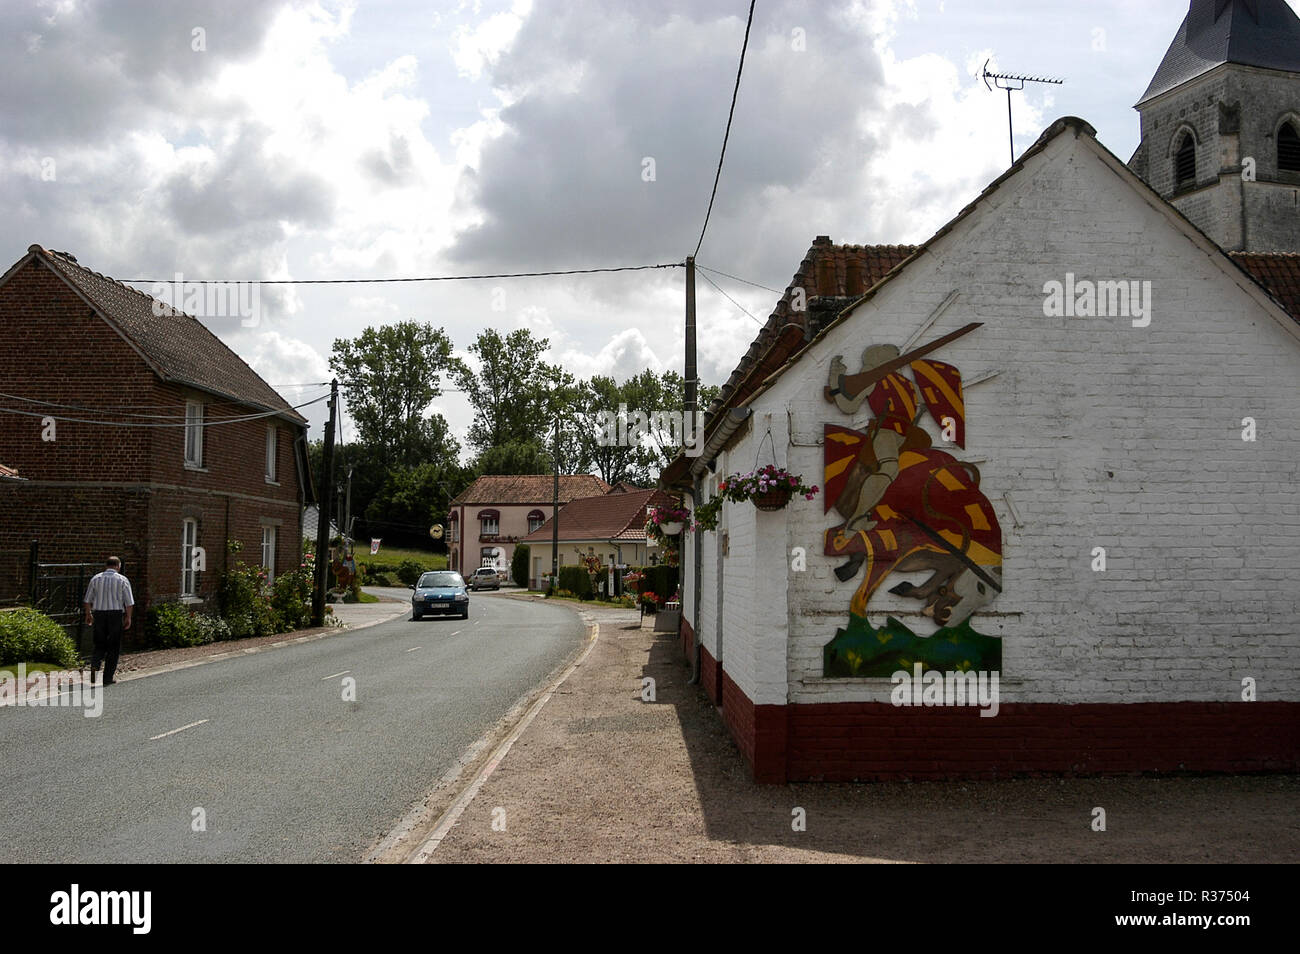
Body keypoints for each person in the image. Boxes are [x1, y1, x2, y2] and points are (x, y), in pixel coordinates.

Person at [83, 556, 134, 685]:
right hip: (115, 614)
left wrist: (88, 614)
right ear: (118, 566)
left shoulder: (96, 579)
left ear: (106, 565)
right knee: (113, 646)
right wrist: (128, 617)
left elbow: (87, 599)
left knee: (99, 644)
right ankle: (107, 677)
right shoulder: (122, 580)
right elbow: (129, 602)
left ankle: (94, 670)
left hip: (99, 614)